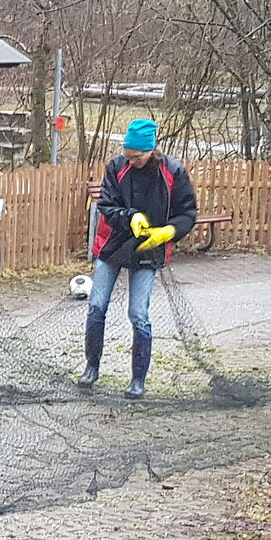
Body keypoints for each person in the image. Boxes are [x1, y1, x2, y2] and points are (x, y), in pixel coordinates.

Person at [83, 118, 197, 398]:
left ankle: (138, 380)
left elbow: (188, 213)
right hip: (112, 244)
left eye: (137, 156)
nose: (131, 161)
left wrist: (169, 231)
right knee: (97, 306)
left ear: (150, 151)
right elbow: (107, 204)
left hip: (149, 248)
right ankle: (91, 367)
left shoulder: (173, 172)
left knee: (138, 314)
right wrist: (129, 217)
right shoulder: (116, 167)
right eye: (127, 155)